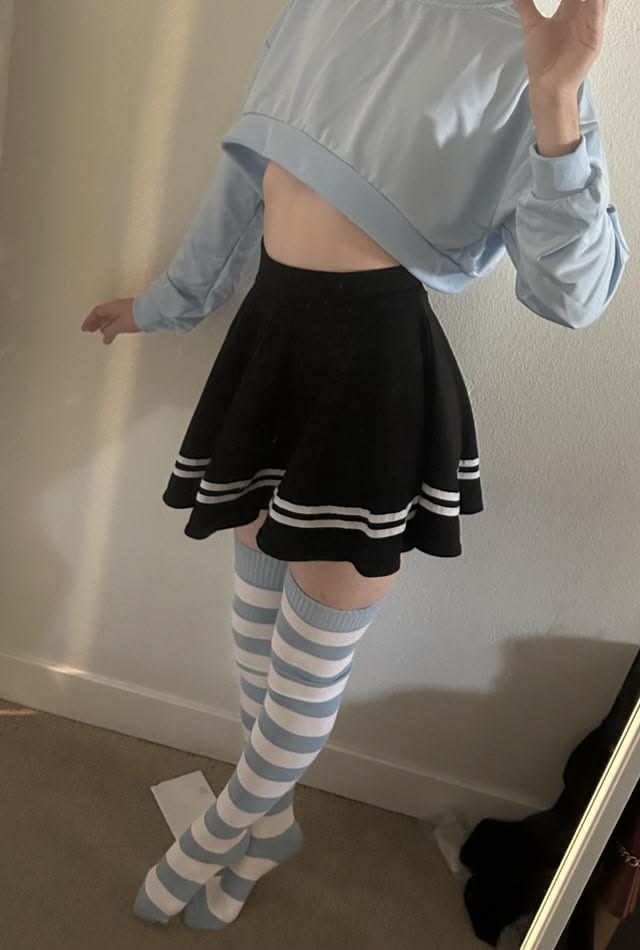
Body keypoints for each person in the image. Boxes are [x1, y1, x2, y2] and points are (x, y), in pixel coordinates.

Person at [80, 0, 628, 932]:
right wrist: (166, 303)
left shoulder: (522, 52)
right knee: (257, 628)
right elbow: (243, 183)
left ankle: (226, 826)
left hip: (373, 380)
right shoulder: (317, 11)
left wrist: (556, 97)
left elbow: (574, 294)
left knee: (308, 658)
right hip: (271, 348)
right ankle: (271, 824)